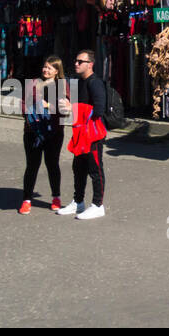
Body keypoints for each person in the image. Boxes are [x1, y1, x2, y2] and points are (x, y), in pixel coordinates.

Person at [58, 50, 107, 220]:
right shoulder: (79, 82)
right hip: (81, 132)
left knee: (95, 169)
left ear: (90, 64)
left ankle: (98, 205)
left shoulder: (95, 83)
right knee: (78, 168)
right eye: (76, 61)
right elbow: (77, 107)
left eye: (80, 61)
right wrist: (67, 107)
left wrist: (74, 108)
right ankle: (78, 202)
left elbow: (99, 110)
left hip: (93, 133)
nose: (76, 64)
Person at [20, 56, 70, 214]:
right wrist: (31, 112)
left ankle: (56, 197)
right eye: (44, 67)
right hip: (32, 132)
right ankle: (26, 200)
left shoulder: (63, 86)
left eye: (49, 68)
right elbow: (23, 103)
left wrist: (49, 106)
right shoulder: (33, 83)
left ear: (57, 70)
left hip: (54, 132)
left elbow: (66, 109)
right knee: (32, 166)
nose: (45, 70)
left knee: (52, 164)